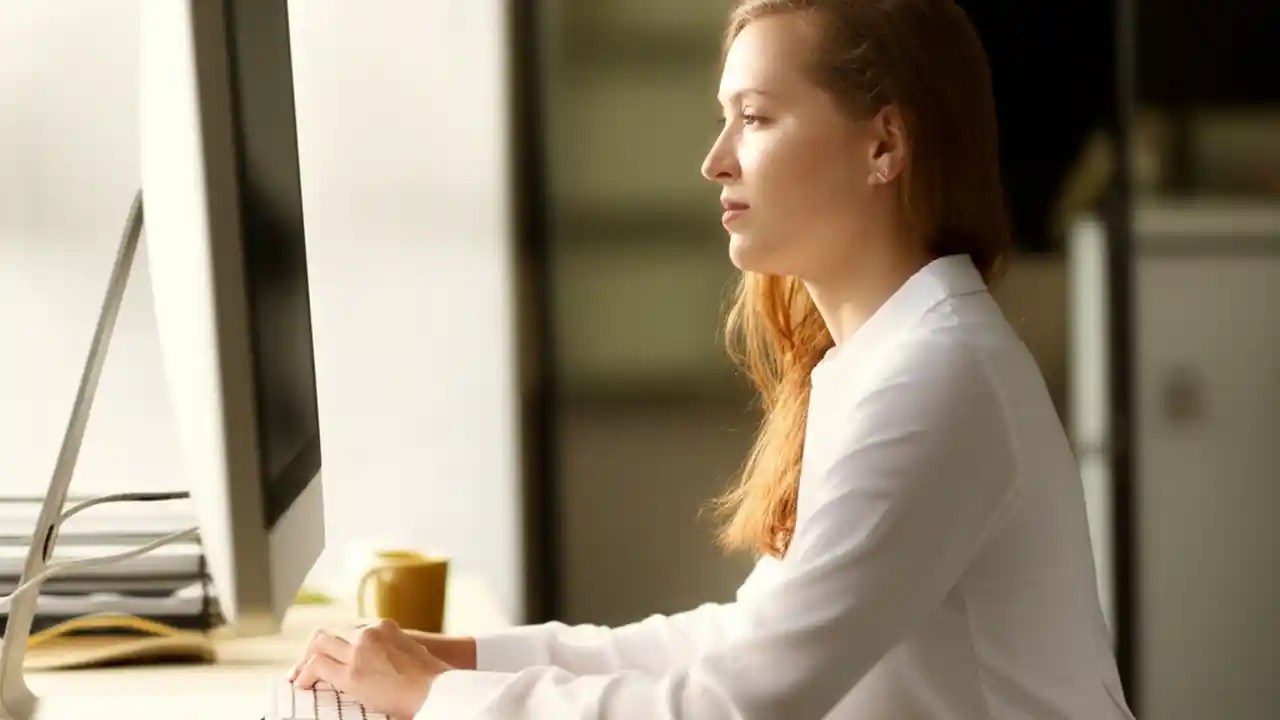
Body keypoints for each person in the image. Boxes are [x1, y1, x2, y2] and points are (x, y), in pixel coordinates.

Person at [288, 1, 1136, 717]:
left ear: (884, 146)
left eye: (757, 117)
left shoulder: (937, 380)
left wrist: (440, 697)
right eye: (723, 116)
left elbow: (741, 701)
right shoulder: (893, 358)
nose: (715, 158)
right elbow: (740, 638)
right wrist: (465, 657)